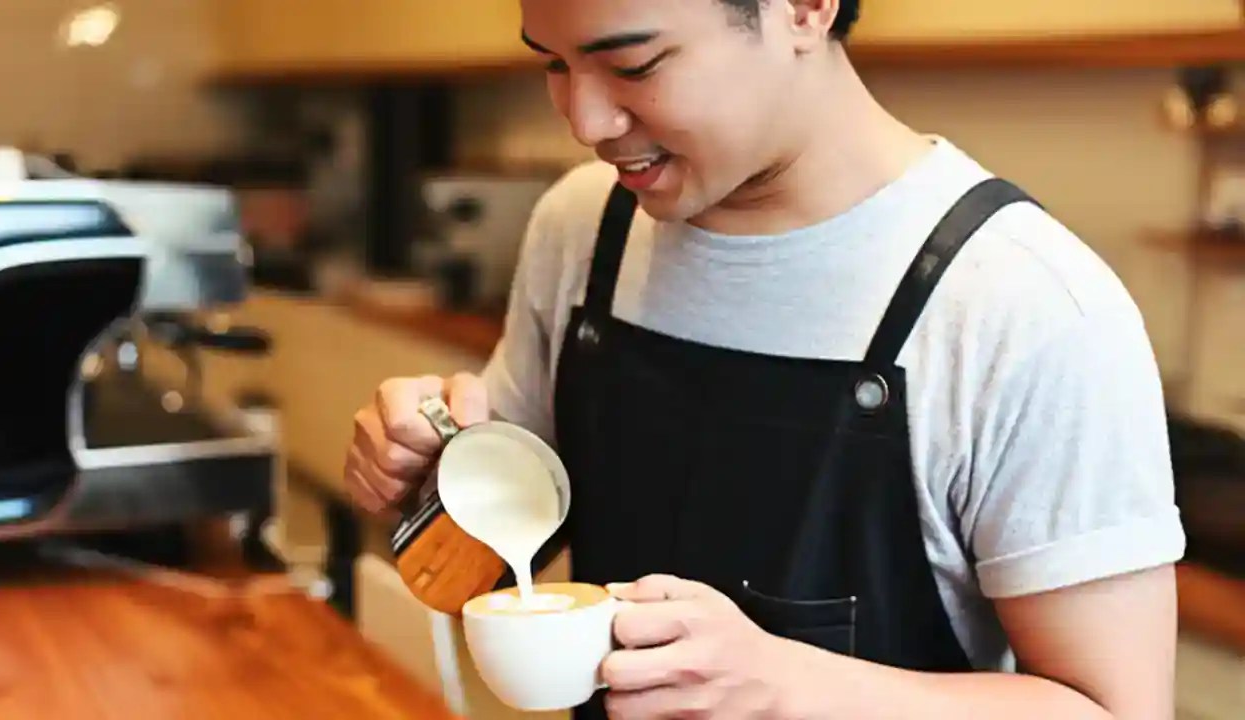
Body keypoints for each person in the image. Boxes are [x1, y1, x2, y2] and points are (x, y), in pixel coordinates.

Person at [345, 1, 1186, 718]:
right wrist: (427, 466)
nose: (586, 122)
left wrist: (787, 684)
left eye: (635, 65)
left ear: (805, 7)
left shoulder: (1024, 306)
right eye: (553, 66)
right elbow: (490, 555)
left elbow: (1112, 707)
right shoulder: (583, 229)